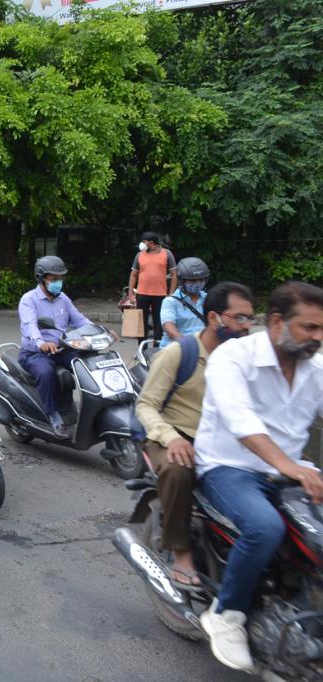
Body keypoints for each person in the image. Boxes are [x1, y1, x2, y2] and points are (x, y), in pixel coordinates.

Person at [194, 281, 323, 672]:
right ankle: (226, 613)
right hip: (229, 467)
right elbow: (241, 421)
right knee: (266, 527)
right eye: (310, 328)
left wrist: (295, 468)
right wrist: (289, 466)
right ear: (278, 322)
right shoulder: (234, 357)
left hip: (291, 471)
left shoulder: (315, 366)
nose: (319, 338)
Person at [134, 282, 254, 589]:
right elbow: (146, 405)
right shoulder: (179, 353)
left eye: (250, 318)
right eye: (239, 318)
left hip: (223, 442)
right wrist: (171, 437)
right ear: (214, 318)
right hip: (174, 436)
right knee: (178, 471)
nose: (247, 326)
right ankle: (181, 550)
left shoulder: (245, 358)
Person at [16, 256, 93, 437]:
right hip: (35, 352)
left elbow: (79, 320)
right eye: (54, 278)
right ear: (41, 278)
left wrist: (100, 330)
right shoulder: (29, 300)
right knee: (45, 372)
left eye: (61, 278)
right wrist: (41, 343)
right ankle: (53, 415)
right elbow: (30, 326)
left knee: (87, 363)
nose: (58, 282)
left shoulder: (63, 298)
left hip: (61, 348)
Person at [127, 231, 178, 345]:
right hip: (142, 294)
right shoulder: (139, 255)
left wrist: (171, 294)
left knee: (159, 323)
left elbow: (174, 275)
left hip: (160, 295)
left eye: (144, 241)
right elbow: (133, 274)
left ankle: (156, 347)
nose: (142, 244)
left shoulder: (167, 253)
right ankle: (142, 349)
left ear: (151, 242)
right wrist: (131, 294)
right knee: (141, 324)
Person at [159, 257, 209, 348]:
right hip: (175, 348)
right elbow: (168, 327)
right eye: (193, 280)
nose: (198, 283)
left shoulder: (208, 298)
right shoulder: (170, 302)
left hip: (203, 347)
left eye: (201, 280)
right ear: (182, 281)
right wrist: (187, 343)